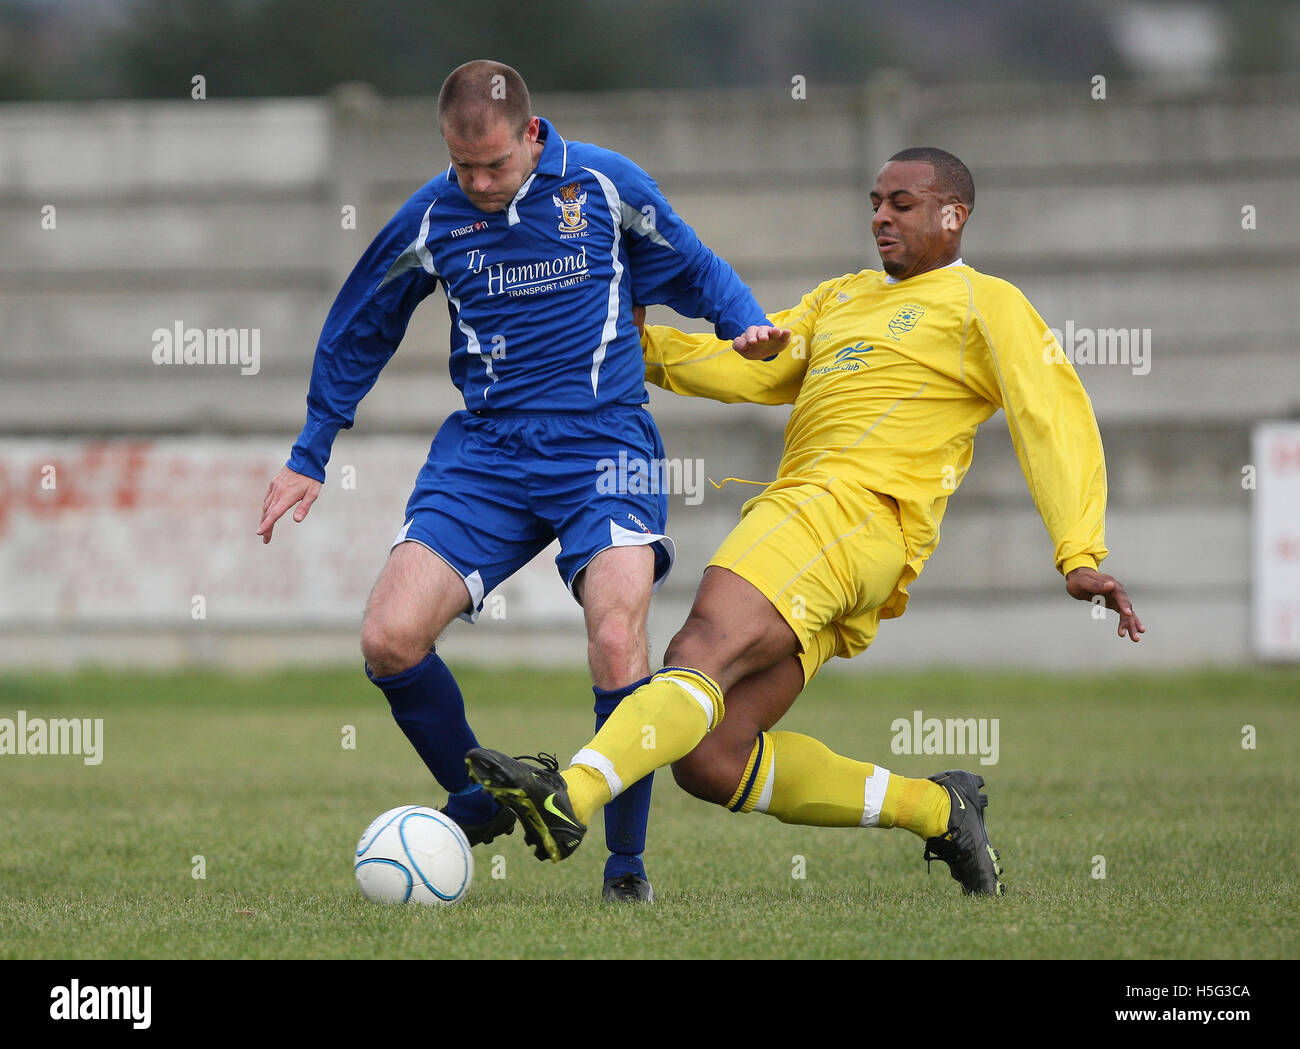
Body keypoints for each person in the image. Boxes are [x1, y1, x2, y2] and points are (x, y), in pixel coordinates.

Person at [466, 146, 1146, 897]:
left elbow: (1052, 416)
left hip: (846, 510)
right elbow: (755, 364)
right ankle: (938, 806)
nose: (882, 216)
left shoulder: (987, 302)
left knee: (700, 646)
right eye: (875, 202)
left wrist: (1077, 548)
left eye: (903, 203)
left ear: (956, 216)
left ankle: (570, 798)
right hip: (841, 541)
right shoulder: (840, 297)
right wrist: (639, 348)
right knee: (714, 756)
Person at [256, 60, 773, 903]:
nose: (480, 183)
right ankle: (475, 801)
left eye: (494, 165)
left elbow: (695, 261)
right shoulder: (434, 214)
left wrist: (743, 320)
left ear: (533, 135)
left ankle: (625, 868)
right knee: (388, 637)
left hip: (605, 441)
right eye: (464, 167)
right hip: (488, 452)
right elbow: (361, 322)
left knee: (616, 637)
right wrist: (311, 449)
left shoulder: (604, 185)